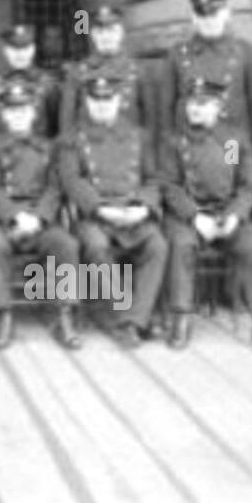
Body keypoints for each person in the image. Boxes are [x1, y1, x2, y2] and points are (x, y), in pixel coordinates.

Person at [159, 78, 252, 354]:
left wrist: (233, 216)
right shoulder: (176, 141)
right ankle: (181, 316)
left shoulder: (231, 141)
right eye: (192, 103)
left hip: (225, 214)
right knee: (182, 245)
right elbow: (170, 186)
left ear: (218, 106)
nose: (196, 109)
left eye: (203, 104)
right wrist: (195, 217)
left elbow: (245, 184)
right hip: (188, 216)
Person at [59, 75, 167, 349]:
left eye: (108, 100)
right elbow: (72, 179)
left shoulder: (138, 136)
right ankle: (125, 317)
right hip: (95, 215)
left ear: (119, 101)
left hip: (133, 212)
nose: (102, 105)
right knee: (96, 245)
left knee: (157, 245)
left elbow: (153, 179)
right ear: (87, 102)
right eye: (96, 100)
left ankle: (135, 319)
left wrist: (143, 206)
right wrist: (99, 208)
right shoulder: (72, 138)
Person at [0, 81, 81, 350]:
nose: (18, 115)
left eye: (23, 110)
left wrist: (39, 217)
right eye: (12, 111)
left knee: (66, 244)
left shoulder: (49, 147)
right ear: (3, 115)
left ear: (34, 113)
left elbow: (55, 187)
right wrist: (14, 216)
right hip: (5, 220)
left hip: (40, 219)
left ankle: (64, 314)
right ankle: (3, 314)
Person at [158, 0, 252, 166]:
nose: (208, 21)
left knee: (229, 181)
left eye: (214, 14)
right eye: (201, 15)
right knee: (192, 189)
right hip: (190, 149)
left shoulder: (246, 52)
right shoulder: (177, 55)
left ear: (226, 13)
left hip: (231, 144)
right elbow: (166, 110)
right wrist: (170, 152)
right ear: (193, 18)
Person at [59, 5, 152, 135]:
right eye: (100, 32)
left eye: (112, 31)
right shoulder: (77, 72)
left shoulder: (137, 71)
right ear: (92, 35)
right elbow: (67, 123)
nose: (106, 37)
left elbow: (150, 121)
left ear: (121, 33)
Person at [0, 23, 61, 139]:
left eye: (25, 48)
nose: (20, 54)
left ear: (33, 49)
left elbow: (55, 126)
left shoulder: (48, 83)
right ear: (5, 50)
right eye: (14, 49)